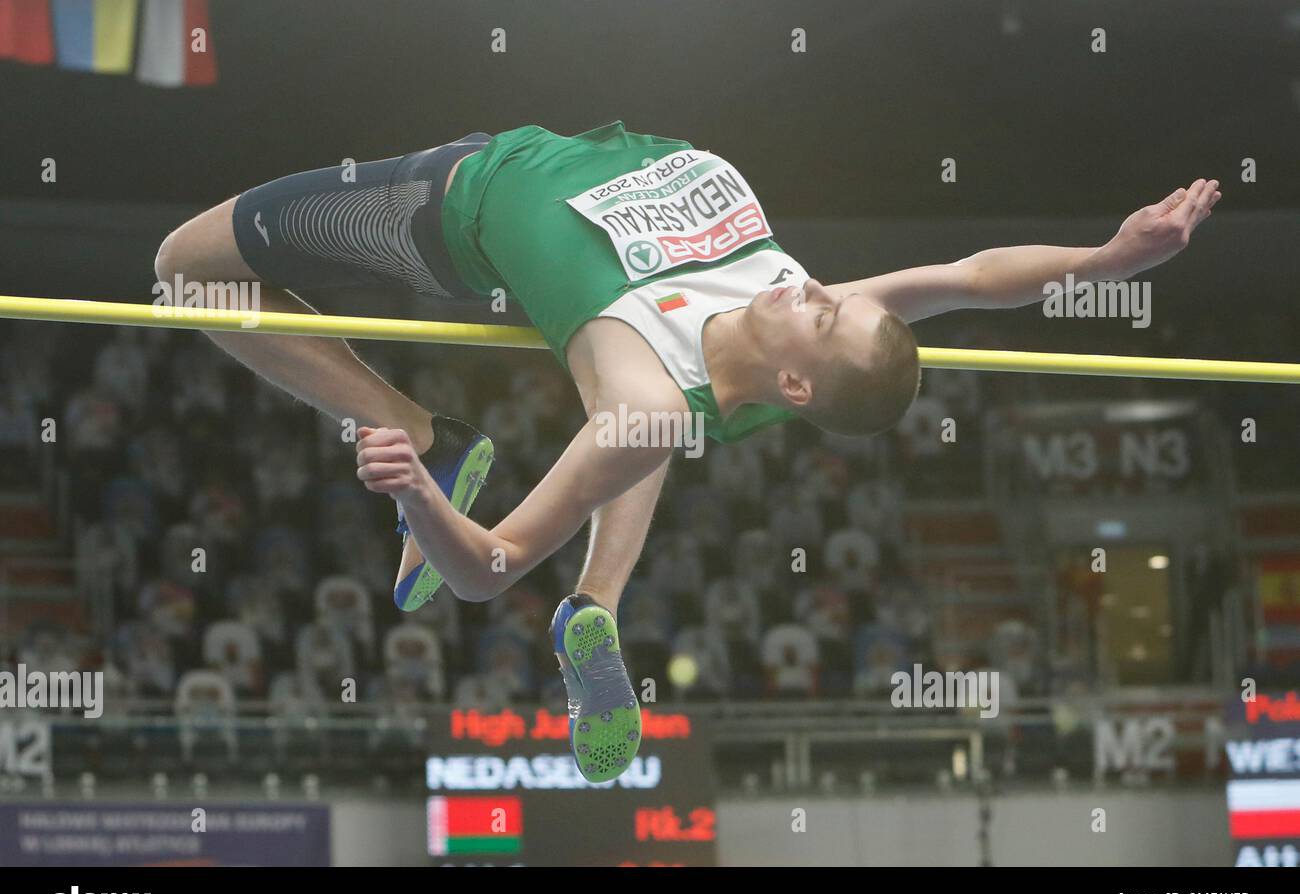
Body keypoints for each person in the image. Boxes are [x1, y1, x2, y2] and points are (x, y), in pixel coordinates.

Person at [154, 120, 1220, 780]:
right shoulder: (772, 326)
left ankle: (434, 436)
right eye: (824, 293)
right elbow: (979, 273)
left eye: (817, 311)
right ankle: (600, 605)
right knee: (667, 407)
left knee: (186, 266)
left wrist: (415, 489)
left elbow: (487, 567)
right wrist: (1110, 253)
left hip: (458, 200)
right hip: (616, 237)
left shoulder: (642, 396)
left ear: (799, 381)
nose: (811, 285)